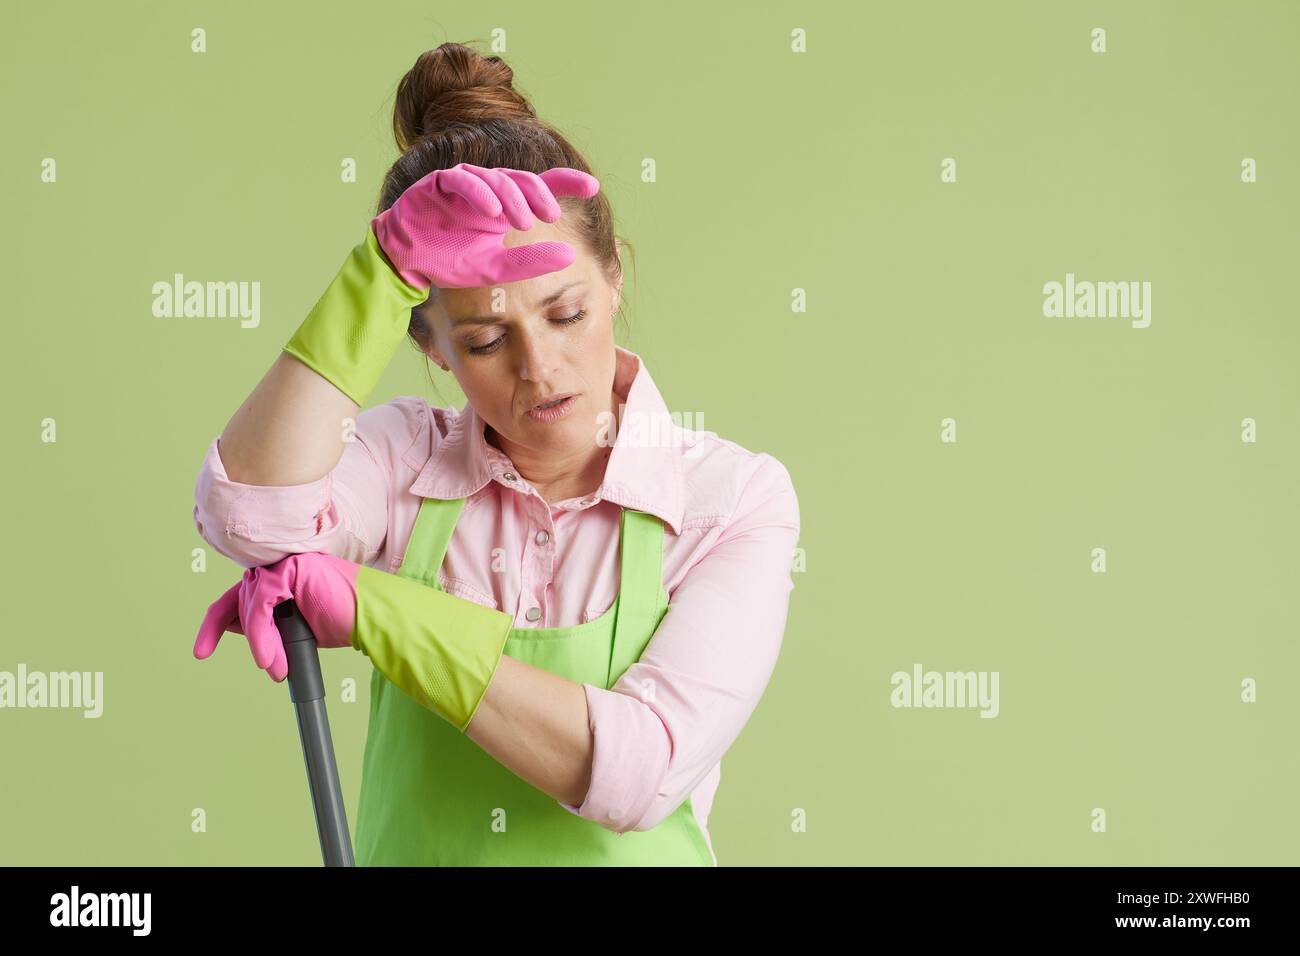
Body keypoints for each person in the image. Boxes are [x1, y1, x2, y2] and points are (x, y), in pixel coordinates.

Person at [190, 41, 800, 866]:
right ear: (434, 348)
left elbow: (640, 770)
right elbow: (250, 516)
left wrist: (378, 609)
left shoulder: (729, 499)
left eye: (565, 313)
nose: (539, 367)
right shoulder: (406, 460)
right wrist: (380, 275)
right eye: (483, 340)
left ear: (616, 277)